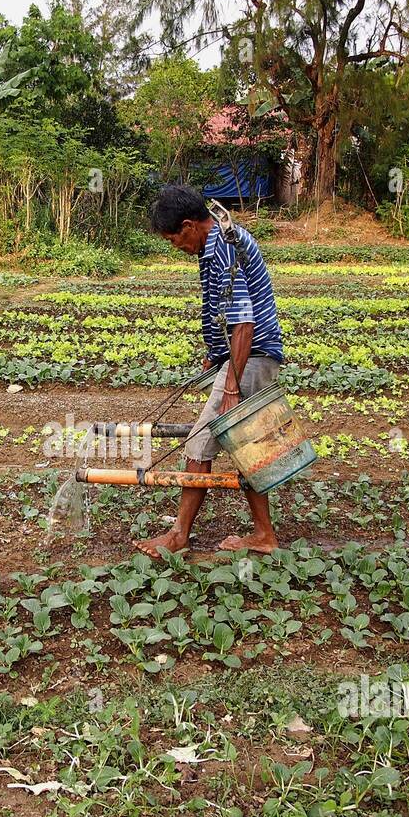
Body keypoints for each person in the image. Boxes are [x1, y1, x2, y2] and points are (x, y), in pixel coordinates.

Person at [136, 184, 284, 557]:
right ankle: (264, 535)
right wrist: (217, 354)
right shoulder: (216, 241)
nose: (176, 248)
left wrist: (231, 384)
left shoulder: (221, 247)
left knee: (200, 443)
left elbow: (244, 322)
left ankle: (178, 536)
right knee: (249, 448)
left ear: (189, 225)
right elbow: (229, 313)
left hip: (250, 357)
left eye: (174, 239)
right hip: (249, 357)